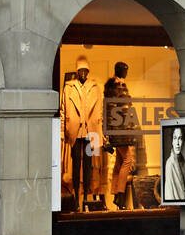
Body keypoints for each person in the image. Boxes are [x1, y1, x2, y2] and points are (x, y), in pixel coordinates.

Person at [61, 56, 104, 211]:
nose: (83, 73)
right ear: (77, 71)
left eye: (86, 70)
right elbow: (63, 110)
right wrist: (62, 131)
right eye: (81, 70)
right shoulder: (69, 88)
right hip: (74, 132)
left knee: (88, 166)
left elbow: (99, 112)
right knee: (76, 166)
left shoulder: (95, 88)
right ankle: (76, 198)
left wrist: (100, 132)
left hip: (89, 133)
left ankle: (86, 196)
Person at [103, 62, 145, 210]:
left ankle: (116, 193)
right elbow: (111, 110)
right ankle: (120, 196)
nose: (127, 73)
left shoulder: (117, 86)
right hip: (120, 130)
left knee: (120, 163)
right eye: (125, 70)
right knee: (127, 161)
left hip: (121, 130)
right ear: (120, 71)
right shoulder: (117, 87)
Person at [163, 125, 185, 202]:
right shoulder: (169, 164)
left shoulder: (184, 163)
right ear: (172, 141)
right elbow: (169, 195)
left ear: (183, 141)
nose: (177, 143)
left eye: (180, 138)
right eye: (175, 138)